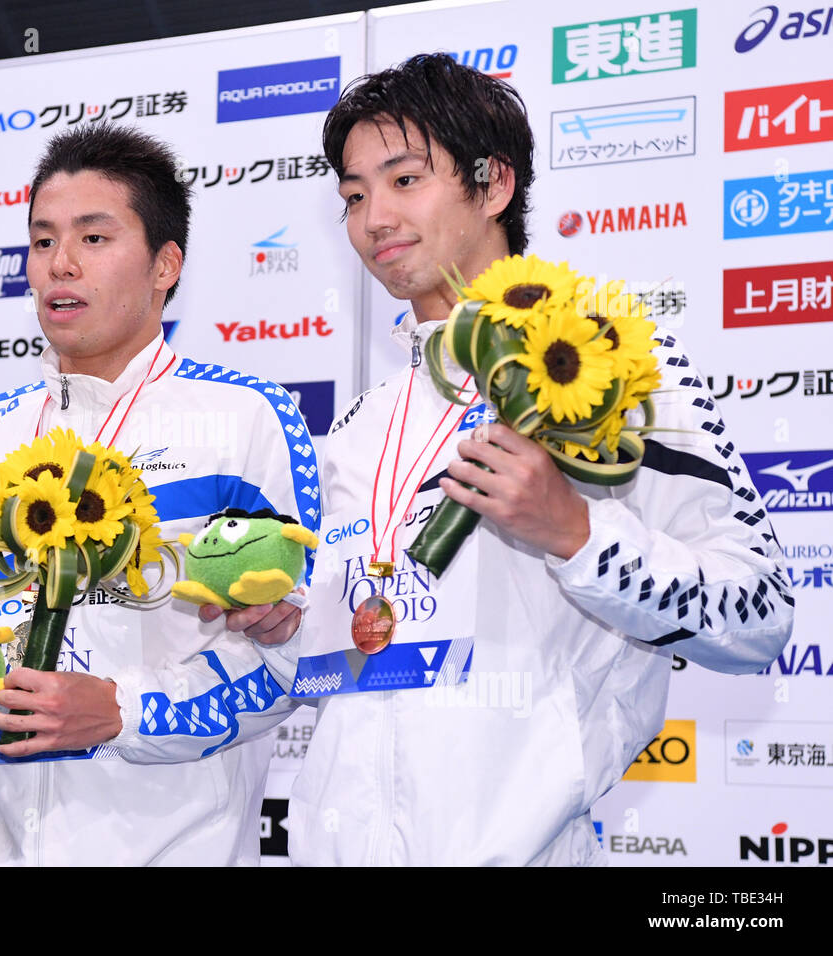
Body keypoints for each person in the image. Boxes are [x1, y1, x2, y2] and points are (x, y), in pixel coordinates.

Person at [272, 54, 794, 865]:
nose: (373, 218)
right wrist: (286, 625)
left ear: (495, 185)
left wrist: (578, 533)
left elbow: (759, 615)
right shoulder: (362, 425)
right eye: (352, 195)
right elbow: (358, 657)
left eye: (404, 180)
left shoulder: (620, 367)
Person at [0, 125, 317, 865]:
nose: (60, 264)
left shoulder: (245, 417)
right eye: (42, 240)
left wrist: (123, 710)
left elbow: (295, 662)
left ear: (166, 265)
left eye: (94, 239)